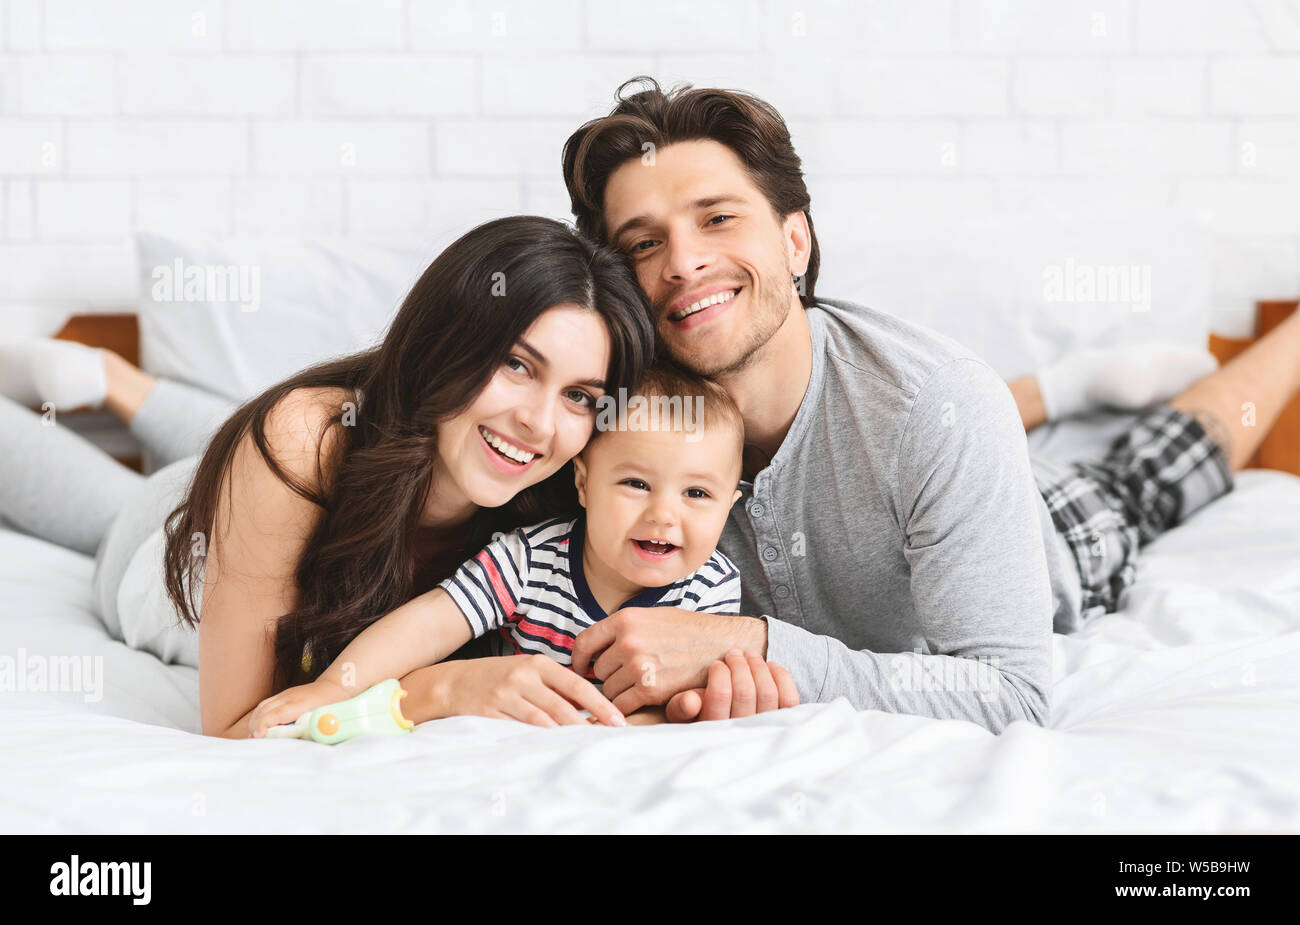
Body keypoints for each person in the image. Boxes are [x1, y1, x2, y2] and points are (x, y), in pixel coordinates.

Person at [557, 76, 1300, 732]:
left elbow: (1012, 692)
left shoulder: (938, 399)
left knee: (1155, 467)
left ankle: (1101, 381)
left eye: (717, 218)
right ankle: (1055, 393)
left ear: (794, 240)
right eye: (643, 244)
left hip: (1056, 527)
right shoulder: (603, 410)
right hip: (930, 448)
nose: (683, 262)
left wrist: (752, 642)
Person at [1, 215, 674, 735]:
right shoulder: (303, 441)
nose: (539, 423)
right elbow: (238, 729)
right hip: (162, 546)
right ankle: (106, 379)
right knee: (120, 505)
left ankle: (117, 382)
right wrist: (440, 691)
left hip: (293, 476)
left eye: (580, 396)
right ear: (450, 342)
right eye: (517, 365)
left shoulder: (568, 493)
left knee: (264, 440)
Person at [244, 363, 794, 734]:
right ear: (583, 483)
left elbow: (684, 704)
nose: (663, 514)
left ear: (730, 505)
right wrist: (329, 689)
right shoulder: (531, 558)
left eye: (697, 493)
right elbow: (430, 624)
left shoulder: (712, 585)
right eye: (635, 484)